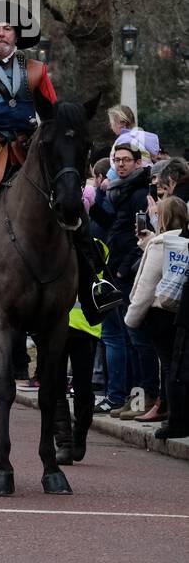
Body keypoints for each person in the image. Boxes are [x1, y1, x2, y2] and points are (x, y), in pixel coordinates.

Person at [0, 0, 120, 317]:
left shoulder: (36, 70)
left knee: (70, 204)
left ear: (16, 35)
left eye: (8, 28)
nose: (2, 33)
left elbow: (54, 116)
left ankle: (95, 284)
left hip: (25, 152)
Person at [89, 143, 158, 413]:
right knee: (121, 336)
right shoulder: (120, 190)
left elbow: (137, 235)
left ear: (138, 163)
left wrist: (122, 268)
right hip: (114, 266)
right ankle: (127, 395)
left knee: (127, 336)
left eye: (126, 160)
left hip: (125, 271)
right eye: (116, 160)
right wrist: (94, 205)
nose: (120, 165)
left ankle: (129, 395)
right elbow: (114, 226)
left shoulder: (139, 192)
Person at [119, 196, 188, 423]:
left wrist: (131, 319)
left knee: (166, 366)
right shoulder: (181, 241)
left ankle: (167, 410)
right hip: (180, 309)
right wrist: (148, 241)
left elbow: (146, 287)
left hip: (159, 312)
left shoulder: (160, 245)